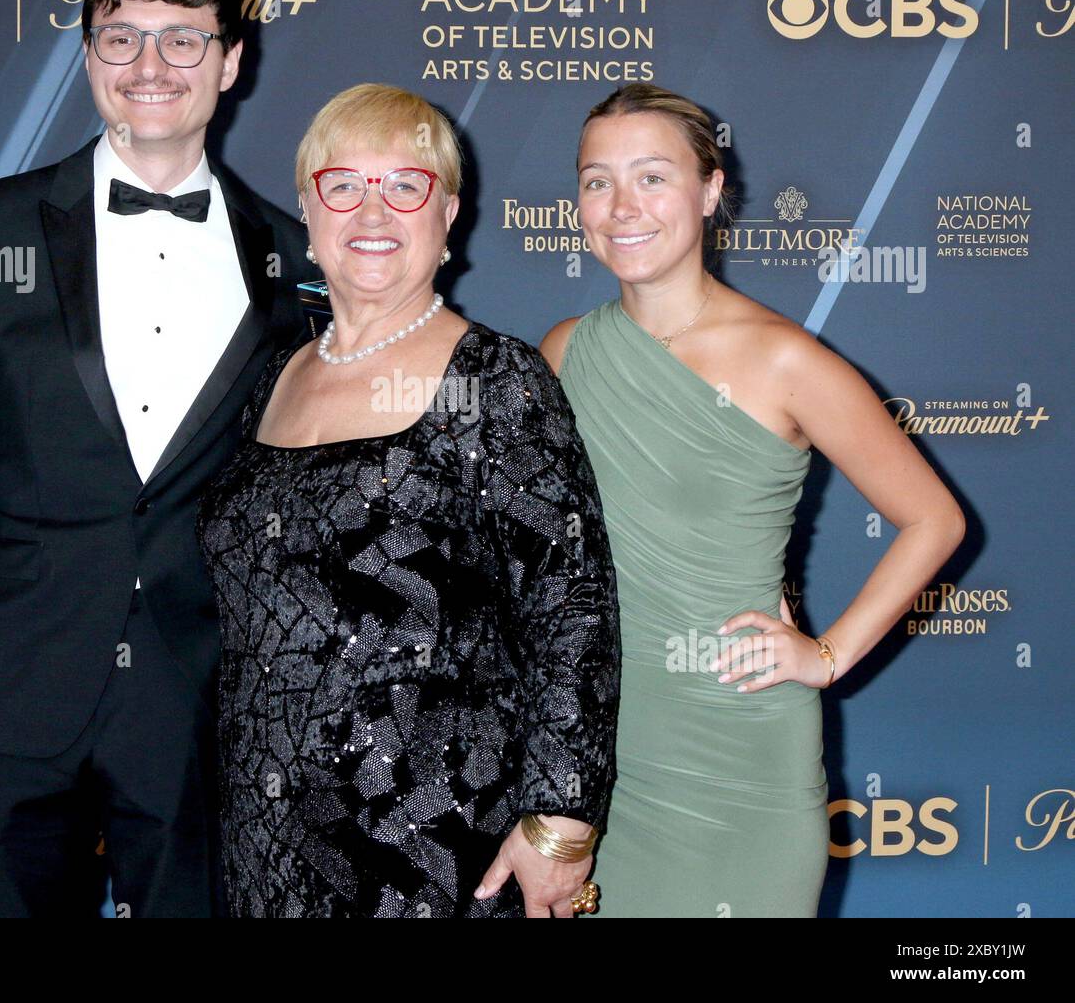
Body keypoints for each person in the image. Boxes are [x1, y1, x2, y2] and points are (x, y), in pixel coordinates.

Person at [0, 0, 309, 916]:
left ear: (231, 61)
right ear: (85, 57)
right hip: (2, 694)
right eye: (120, 39)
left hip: (198, 702)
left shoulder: (293, 260)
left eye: (182, 40)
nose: (149, 67)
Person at [195, 83, 621, 917]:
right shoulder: (270, 378)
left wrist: (561, 826)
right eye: (343, 184)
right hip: (264, 830)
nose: (372, 211)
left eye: (406, 185)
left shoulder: (493, 380)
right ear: (309, 214)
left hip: (429, 839)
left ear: (448, 213)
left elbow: (572, 608)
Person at [541, 82, 966, 917]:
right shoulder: (563, 351)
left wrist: (829, 654)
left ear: (708, 191)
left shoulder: (782, 360)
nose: (623, 205)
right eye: (598, 180)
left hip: (735, 750)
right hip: (593, 751)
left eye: (653, 177)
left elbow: (936, 518)